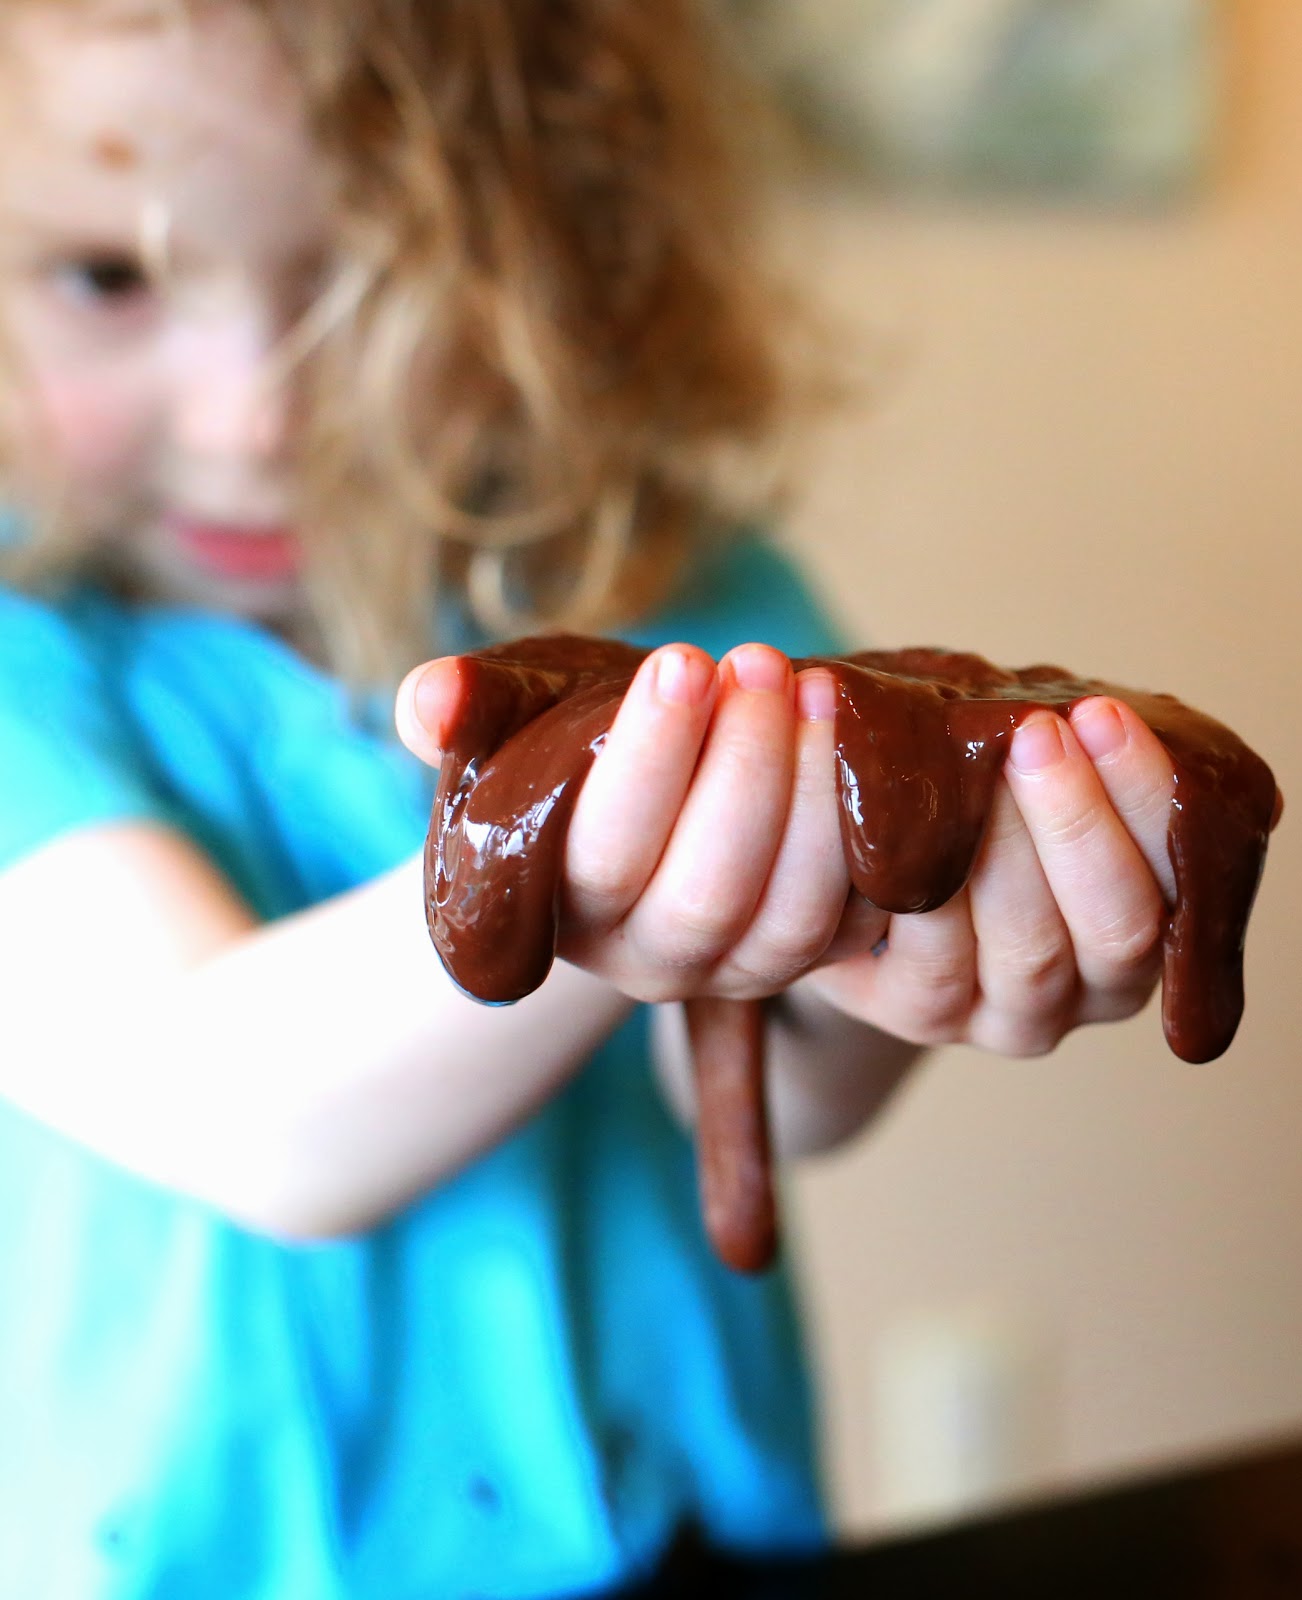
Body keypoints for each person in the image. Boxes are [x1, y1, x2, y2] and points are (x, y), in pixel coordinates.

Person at [0, 2, 1183, 1596]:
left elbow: (770, 1100)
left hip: (683, 1533)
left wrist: (911, 952)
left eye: (367, 272)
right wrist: (591, 860)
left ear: (571, 255)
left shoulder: (678, 599)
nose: (253, 417)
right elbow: (241, 1109)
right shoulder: (31, 671)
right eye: (107, 276)